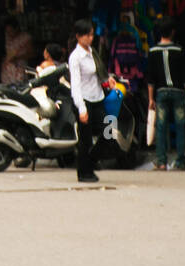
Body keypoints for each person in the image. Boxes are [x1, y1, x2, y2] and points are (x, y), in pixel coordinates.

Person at [146, 19, 185, 171]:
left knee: (160, 126)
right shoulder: (179, 50)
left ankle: (161, 161)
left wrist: (151, 99)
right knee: (180, 126)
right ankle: (180, 161)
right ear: (172, 32)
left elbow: (151, 79)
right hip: (179, 92)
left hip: (161, 93)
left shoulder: (153, 52)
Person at [69, 18, 106, 184]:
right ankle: (84, 172)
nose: (90, 38)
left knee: (108, 131)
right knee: (85, 139)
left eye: (92, 35)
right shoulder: (76, 57)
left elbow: (99, 73)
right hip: (84, 100)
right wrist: (81, 108)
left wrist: (108, 81)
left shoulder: (93, 52)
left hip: (98, 97)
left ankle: (92, 161)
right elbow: (75, 85)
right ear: (78, 36)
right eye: (87, 35)